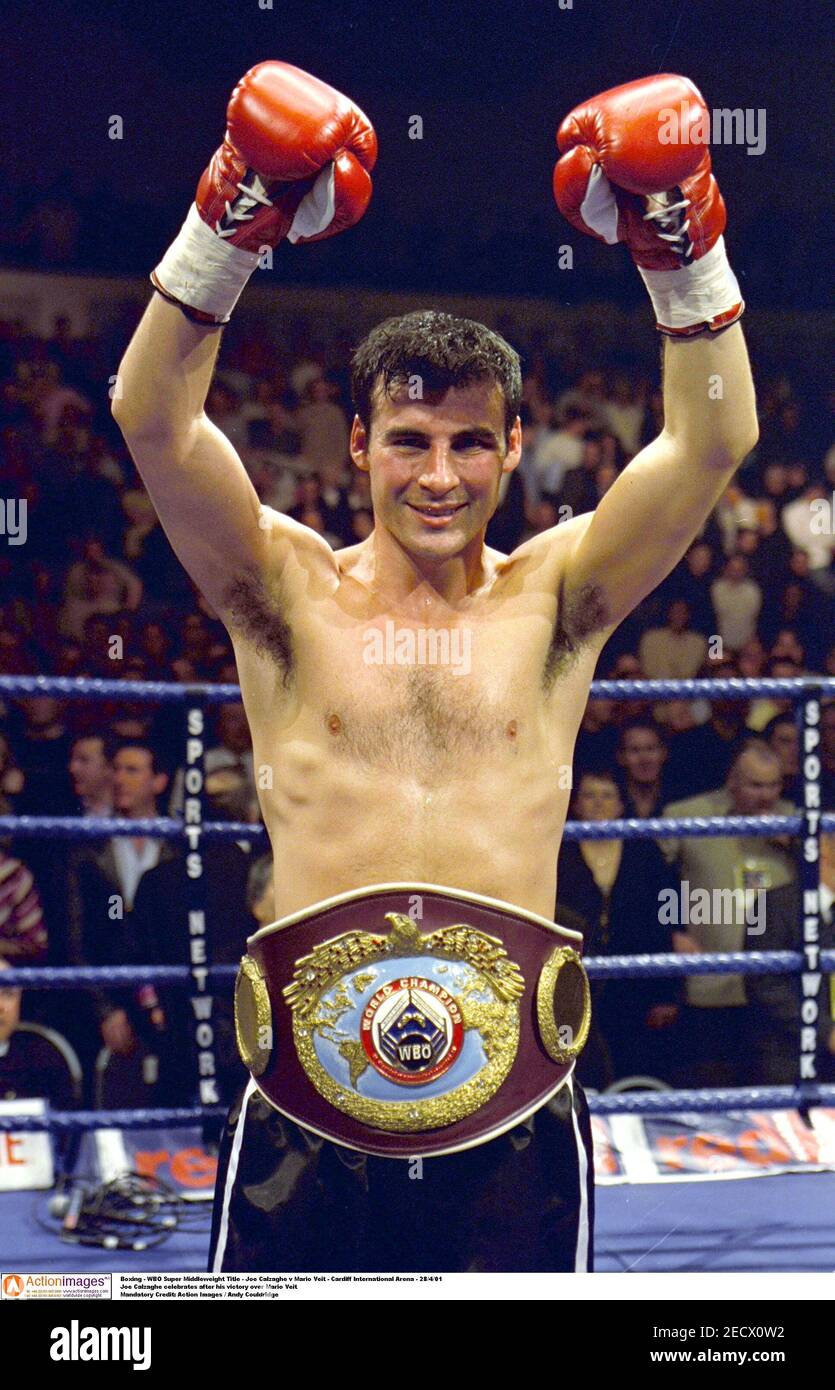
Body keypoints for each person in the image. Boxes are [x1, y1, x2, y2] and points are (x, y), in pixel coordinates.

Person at [112, 64, 757, 1273]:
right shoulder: (282, 594)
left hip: (513, 1123)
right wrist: (229, 217)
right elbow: (150, 414)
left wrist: (682, 240)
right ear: (358, 443)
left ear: (516, 449)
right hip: (303, 1121)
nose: (439, 475)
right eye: (408, 439)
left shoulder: (560, 598)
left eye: (472, 441)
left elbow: (715, 435)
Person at [660, 742, 795, 1088]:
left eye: (773, 785)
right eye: (755, 785)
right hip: (710, 982)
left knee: (770, 1093)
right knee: (709, 1086)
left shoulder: (798, 824)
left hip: (776, 990)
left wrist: (797, 847)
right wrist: (670, 929)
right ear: (732, 781)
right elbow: (647, 879)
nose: (766, 796)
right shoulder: (688, 817)